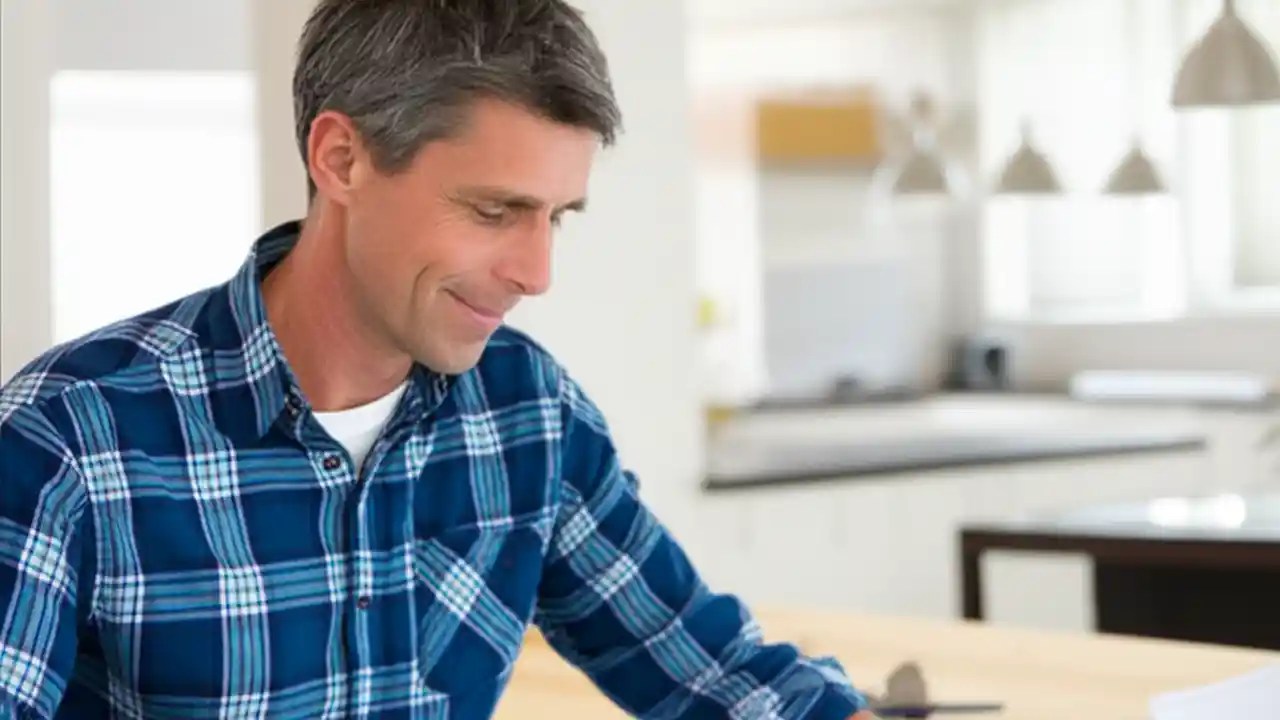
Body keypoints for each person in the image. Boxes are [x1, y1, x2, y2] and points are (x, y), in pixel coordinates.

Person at [0, 1, 874, 718]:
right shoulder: (73, 439)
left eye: (557, 216)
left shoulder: (526, 414)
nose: (536, 273)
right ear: (341, 158)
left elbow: (714, 677)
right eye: (495, 211)